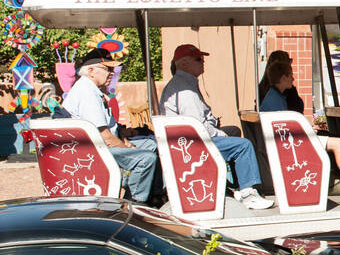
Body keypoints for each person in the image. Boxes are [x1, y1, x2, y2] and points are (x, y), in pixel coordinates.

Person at [159, 43, 274, 210]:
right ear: (183, 63)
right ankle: (249, 192)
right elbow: (198, 126)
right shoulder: (184, 90)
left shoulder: (184, 84)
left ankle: (234, 186)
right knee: (243, 145)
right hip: (193, 143)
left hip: (188, 138)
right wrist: (220, 134)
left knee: (234, 130)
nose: (202, 62)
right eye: (198, 59)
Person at [62, 49, 160, 203]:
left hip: (98, 146)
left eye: (113, 69)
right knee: (146, 158)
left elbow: (109, 128)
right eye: (107, 69)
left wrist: (124, 136)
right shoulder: (87, 92)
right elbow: (105, 136)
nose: (111, 73)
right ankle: (134, 203)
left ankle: (154, 195)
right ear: (91, 71)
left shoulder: (92, 89)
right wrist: (128, 148)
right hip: (92, 151)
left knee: (152, 144)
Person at [262, 62, 340, 198]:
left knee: (329, 136)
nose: (293, 79)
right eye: (291, 75)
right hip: (290, 144)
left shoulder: (276, 96)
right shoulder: (275, 100)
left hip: (287, 141)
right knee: (337, 144)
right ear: (283, 77)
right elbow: (284, 127)